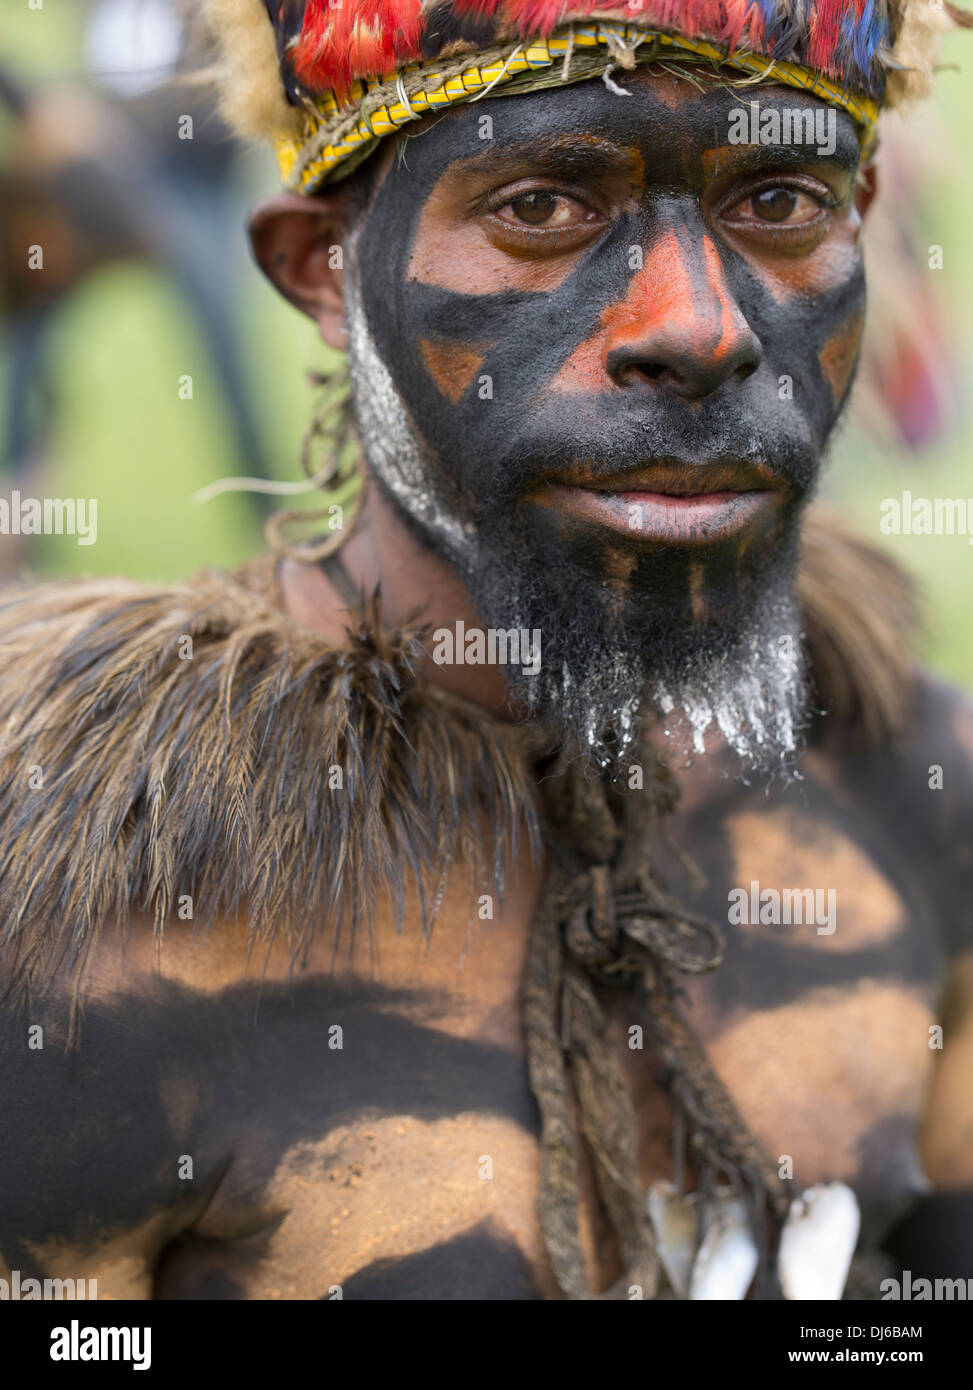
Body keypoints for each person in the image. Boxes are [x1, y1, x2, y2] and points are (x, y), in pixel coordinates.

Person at [1, 0, 972, 1301]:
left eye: (780, 199)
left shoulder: (920, 791)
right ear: (321, 268)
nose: (697, 326)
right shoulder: (73, 912)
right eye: (540, 207)